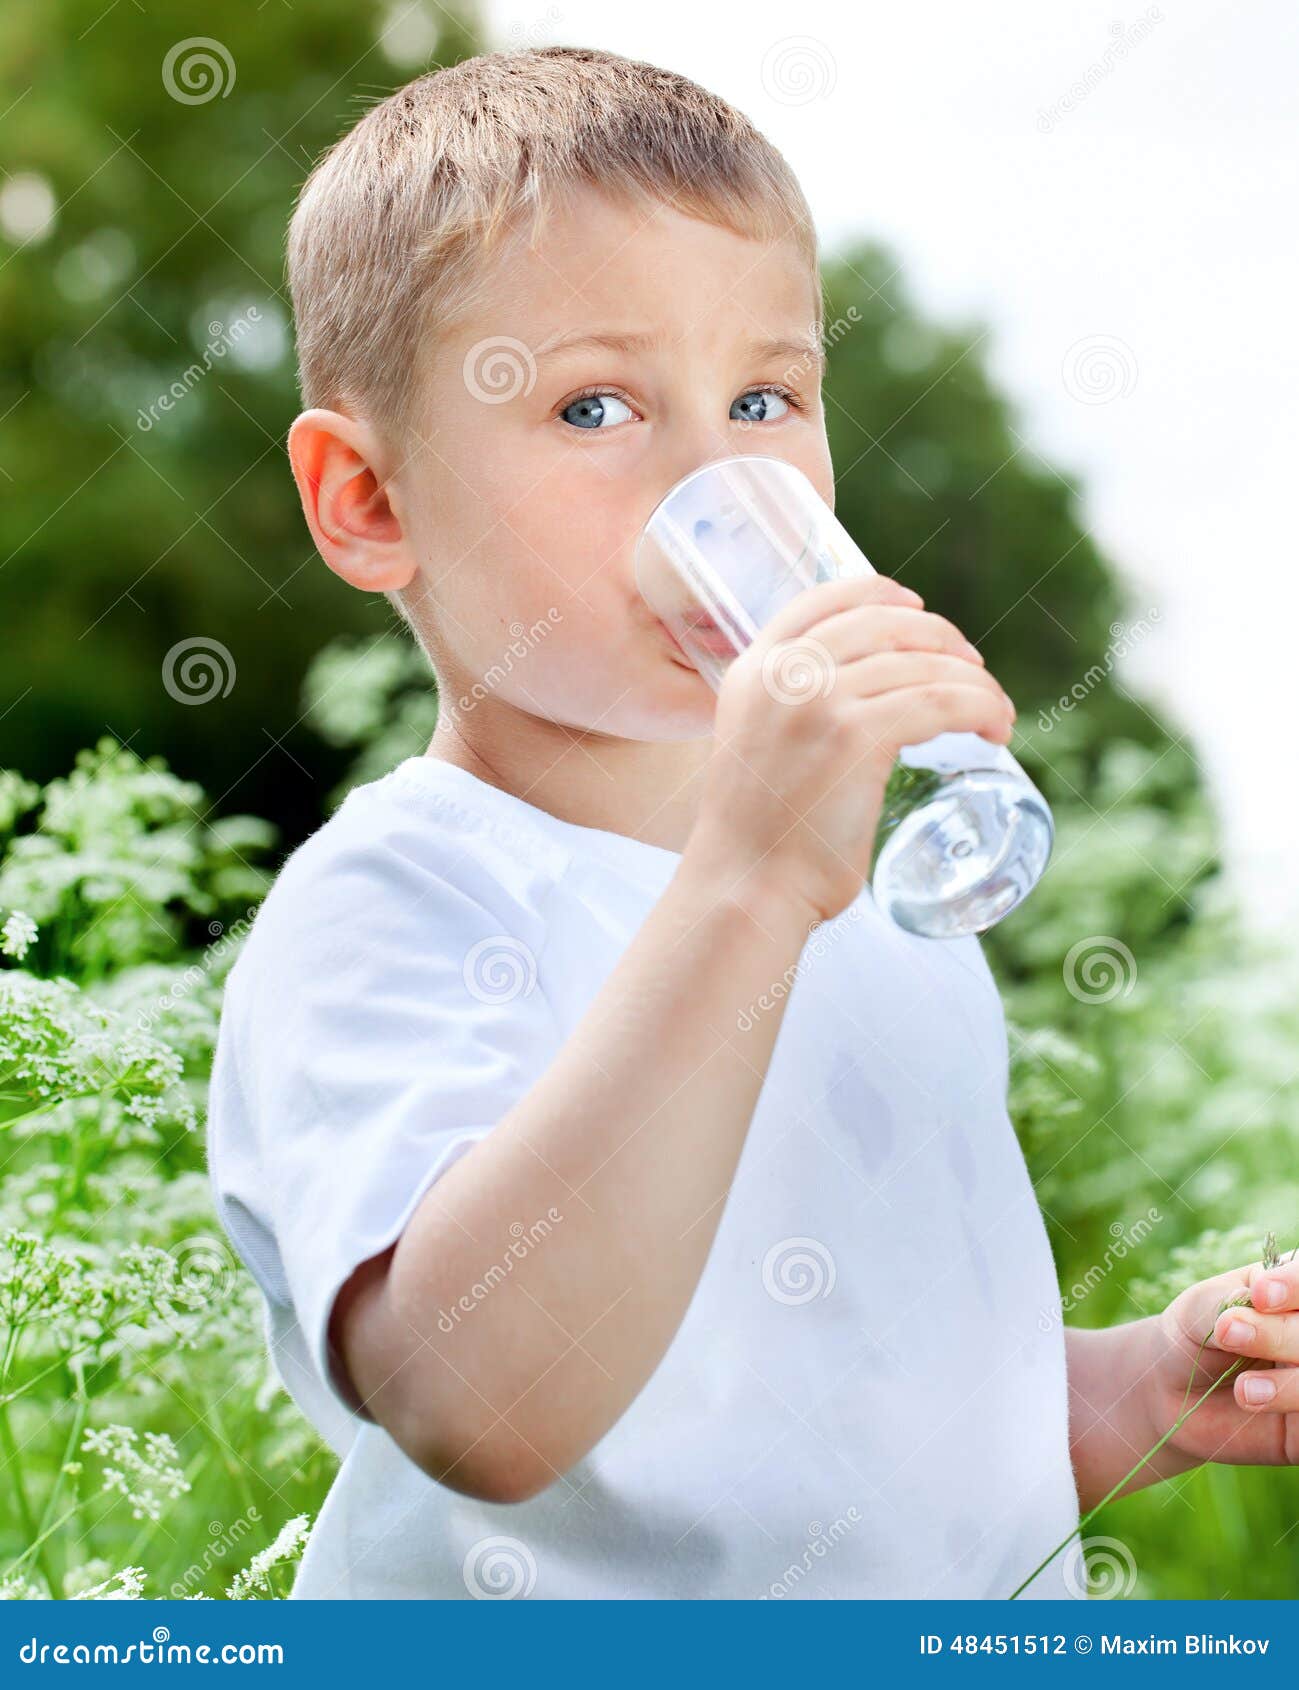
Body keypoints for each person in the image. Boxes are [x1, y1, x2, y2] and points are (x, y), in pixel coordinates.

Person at [206, 44, 1297, 1601]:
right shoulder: (395, 901)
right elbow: (483, 1407)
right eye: (593, 405)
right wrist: (750, 881)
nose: (715, 479)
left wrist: (1133, 1393)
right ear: (370, 501)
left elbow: (837, 1420)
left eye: (765, 396)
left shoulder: (870, 893)